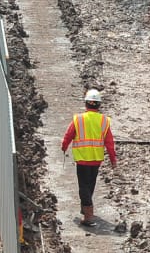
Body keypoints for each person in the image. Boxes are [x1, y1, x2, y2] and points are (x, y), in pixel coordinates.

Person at [60, 89, 117, 226]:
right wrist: (113, 159)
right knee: (90, 184)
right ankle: (86, 209)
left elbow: (69, 134)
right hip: (96, 159)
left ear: (86, 103)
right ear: (99, 105)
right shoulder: (104, 120)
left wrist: (64, 147)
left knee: (83, 186)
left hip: (83, 159)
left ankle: (88, 215)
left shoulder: (79, 119)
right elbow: (109, 142)